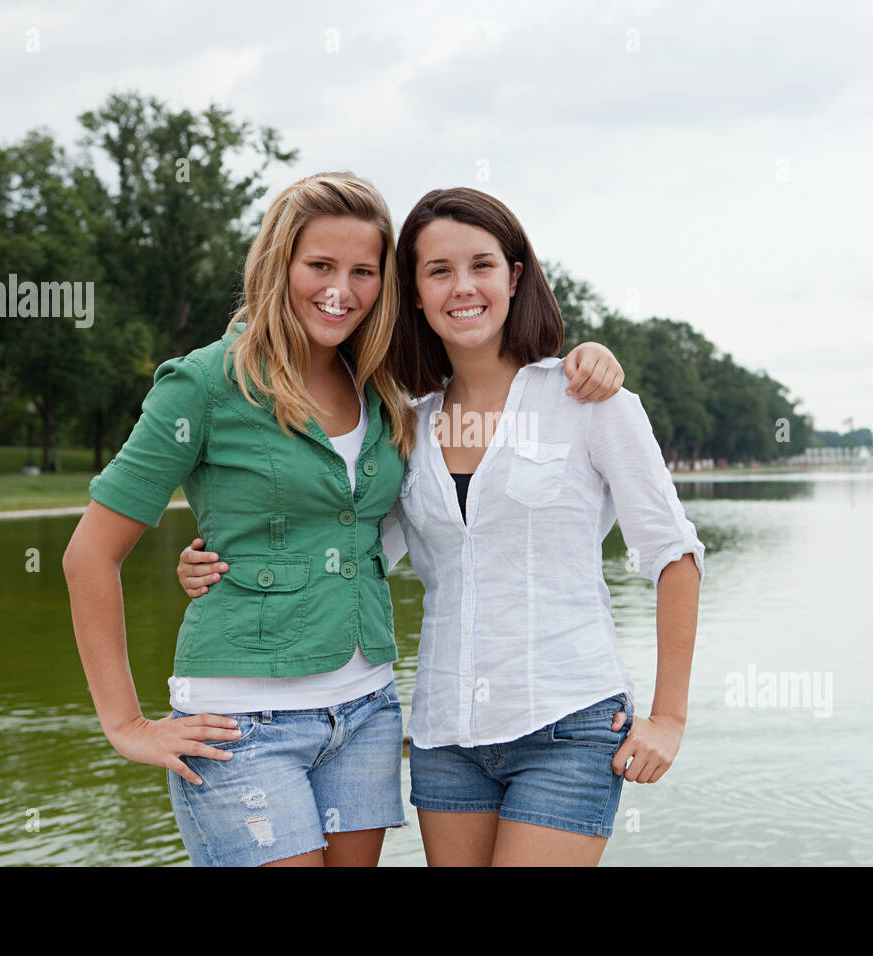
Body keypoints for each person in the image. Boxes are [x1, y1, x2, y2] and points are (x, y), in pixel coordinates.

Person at [64, 170, 623, 867]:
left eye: (363, 271)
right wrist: (124, 724)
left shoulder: (382, 387)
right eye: (320, 265)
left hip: (365, 713)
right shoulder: (204, 384)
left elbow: (384, 527)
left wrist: (588, 358)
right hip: (241, 722)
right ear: (279, 265)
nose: (342, 289)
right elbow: (89, 555)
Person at [179, 185, 704, 866]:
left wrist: (668, 718)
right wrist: (220, 565)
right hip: (445, 740)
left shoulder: (589, 402)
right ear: (416, 294)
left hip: (568, 727)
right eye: (439, 271)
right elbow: (353, 547)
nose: (464, 287)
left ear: (515, 277)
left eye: (482, 265)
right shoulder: (407, 425)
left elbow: (673, 555)